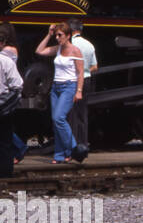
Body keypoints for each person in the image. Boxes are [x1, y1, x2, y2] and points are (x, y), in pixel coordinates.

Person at [34, 22, 83, 164]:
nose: (57, 37)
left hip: (69, 87)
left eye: (59, 35)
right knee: (56, 122)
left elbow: (80, 73)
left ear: (68, 36)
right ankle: (60, 155)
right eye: (56, 35)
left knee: (58, 118)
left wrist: (78, 91)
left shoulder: (75, 51)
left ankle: (74, 149)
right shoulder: (58, 49)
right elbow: (39, 51)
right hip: (56, 88)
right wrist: (48, 34)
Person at [67, 19, 97, 151]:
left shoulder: (70, 44)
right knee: (82, 113)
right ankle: (83, 144)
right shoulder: (89, 45)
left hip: (73, 80)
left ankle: (72, 145)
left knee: (71, 114)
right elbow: (95, 66)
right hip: (86, 80)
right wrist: (84, 71)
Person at [0, 23, 26, 165]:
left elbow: (16, 83)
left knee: (4, 136)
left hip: (4, 95)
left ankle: (19, 147)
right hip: (7, 93)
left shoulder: (7, 54)